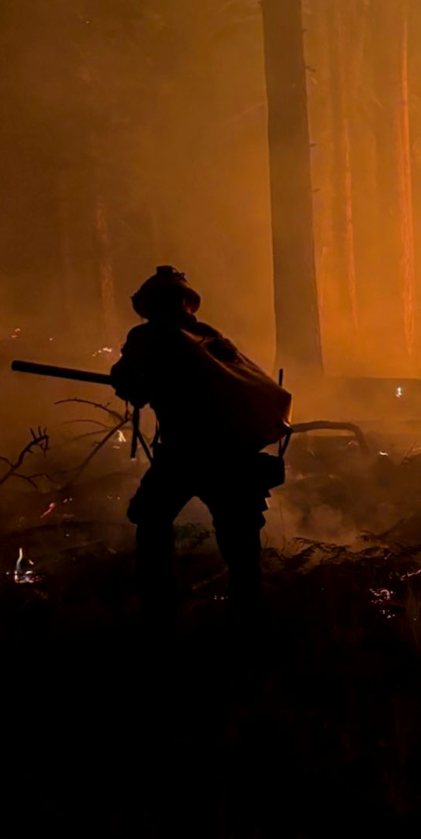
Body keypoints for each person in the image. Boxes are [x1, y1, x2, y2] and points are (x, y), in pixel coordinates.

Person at [110, 266, 290, 624]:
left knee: (150, 521)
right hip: (236, 455)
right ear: (187, 303)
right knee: (242, 547)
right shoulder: (211, 338)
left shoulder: (148, 336)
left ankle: (159, 617)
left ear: (149, 306)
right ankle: (248, 626)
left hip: (185, 454)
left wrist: (129, 379)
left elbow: (134, 389)